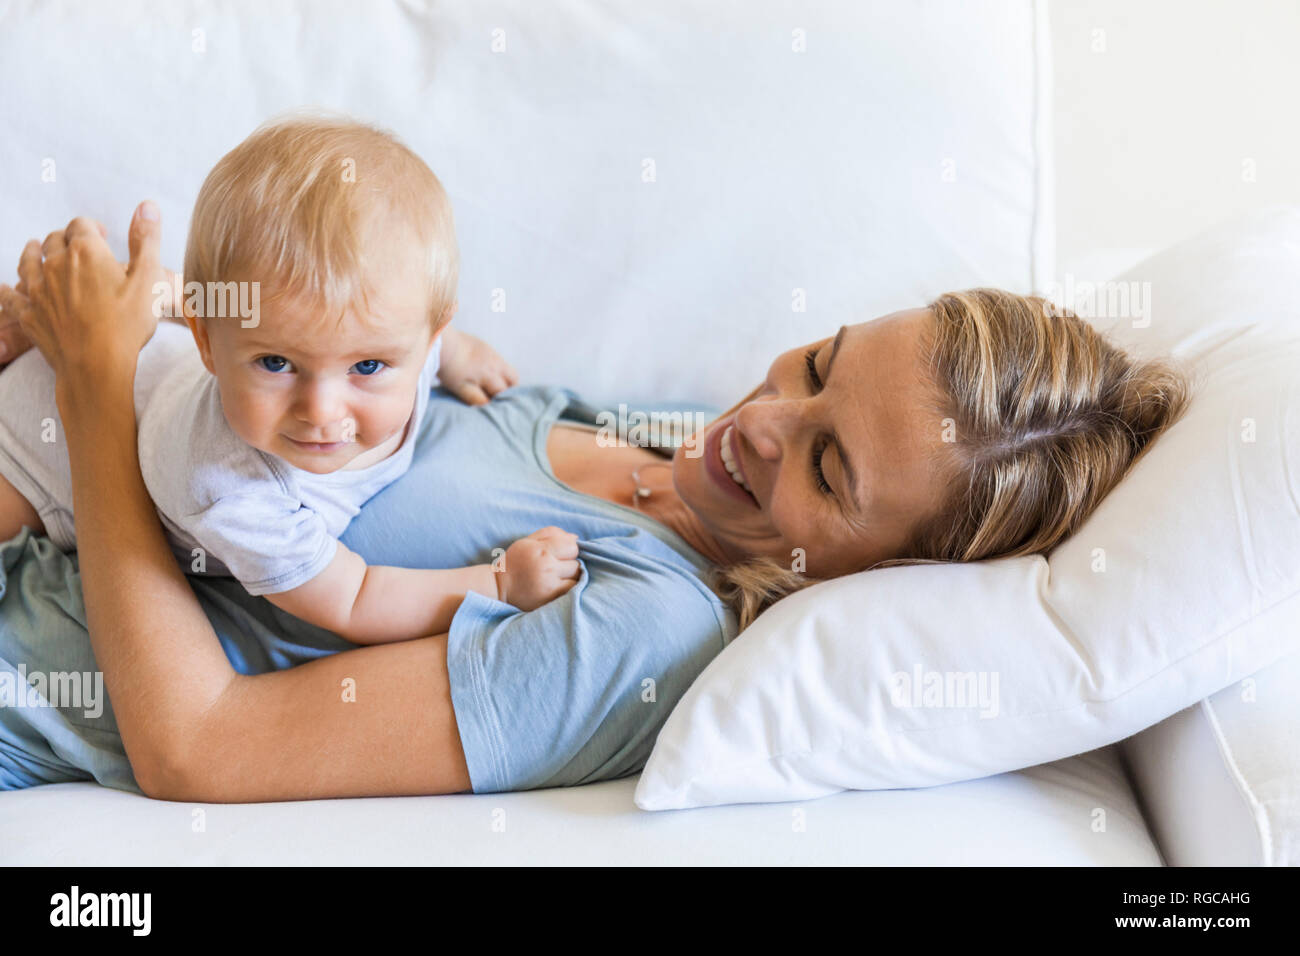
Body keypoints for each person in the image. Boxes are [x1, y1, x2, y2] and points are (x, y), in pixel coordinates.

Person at [0, 204, 1192, 801]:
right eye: (819, 363)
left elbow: (200, 747)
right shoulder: (646, 435)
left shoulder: (643, 627)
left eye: (828, 471)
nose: (762, 424)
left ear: (879, 576)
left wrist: (100, 388)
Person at [0, 115, 581, 647]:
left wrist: (458, 352)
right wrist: (498, 585)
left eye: (367, 368)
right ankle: (30, 328)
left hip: (156, 364)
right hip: (32, 450)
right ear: (209, 341)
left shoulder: (398, 338)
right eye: (276, 364)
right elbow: (356, 598)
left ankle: (32, 327)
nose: (323, 410)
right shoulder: (233, 489)